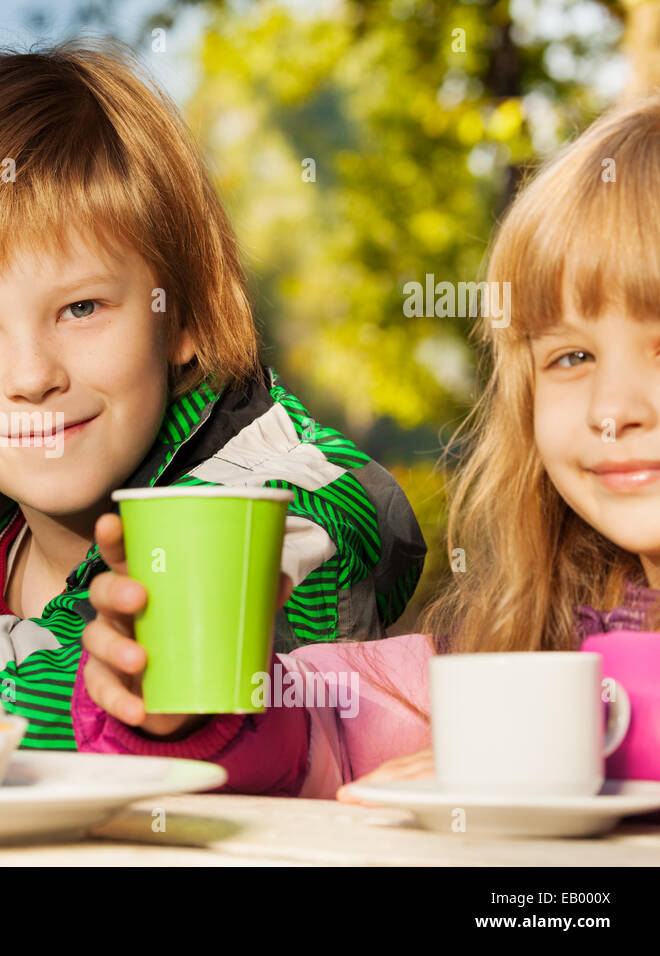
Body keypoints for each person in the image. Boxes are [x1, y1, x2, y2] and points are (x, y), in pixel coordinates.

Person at [0, 37, 426, 751]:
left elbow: (143, 704)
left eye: (81, 309)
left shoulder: (285, 502)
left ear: (183, 314)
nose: (32, 376)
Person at [75, 93, 660, 794]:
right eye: (571, 357)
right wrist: (188, 712)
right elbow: (329, 733)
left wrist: (556, 755)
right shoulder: (521, 645)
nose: (612, 412)